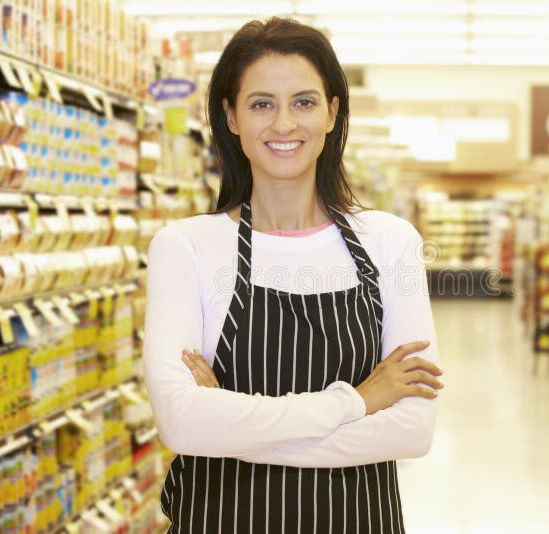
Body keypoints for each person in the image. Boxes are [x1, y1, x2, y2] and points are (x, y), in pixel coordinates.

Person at [143, 17, 443, 533]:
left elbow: (411, 431)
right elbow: (182, 423)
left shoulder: (391, 242)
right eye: (262, 103)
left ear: (331, 112)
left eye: (303, 102)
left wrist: (233, 427)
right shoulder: (186, 247)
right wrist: (359, 400)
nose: (284, 124)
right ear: (232, 117)